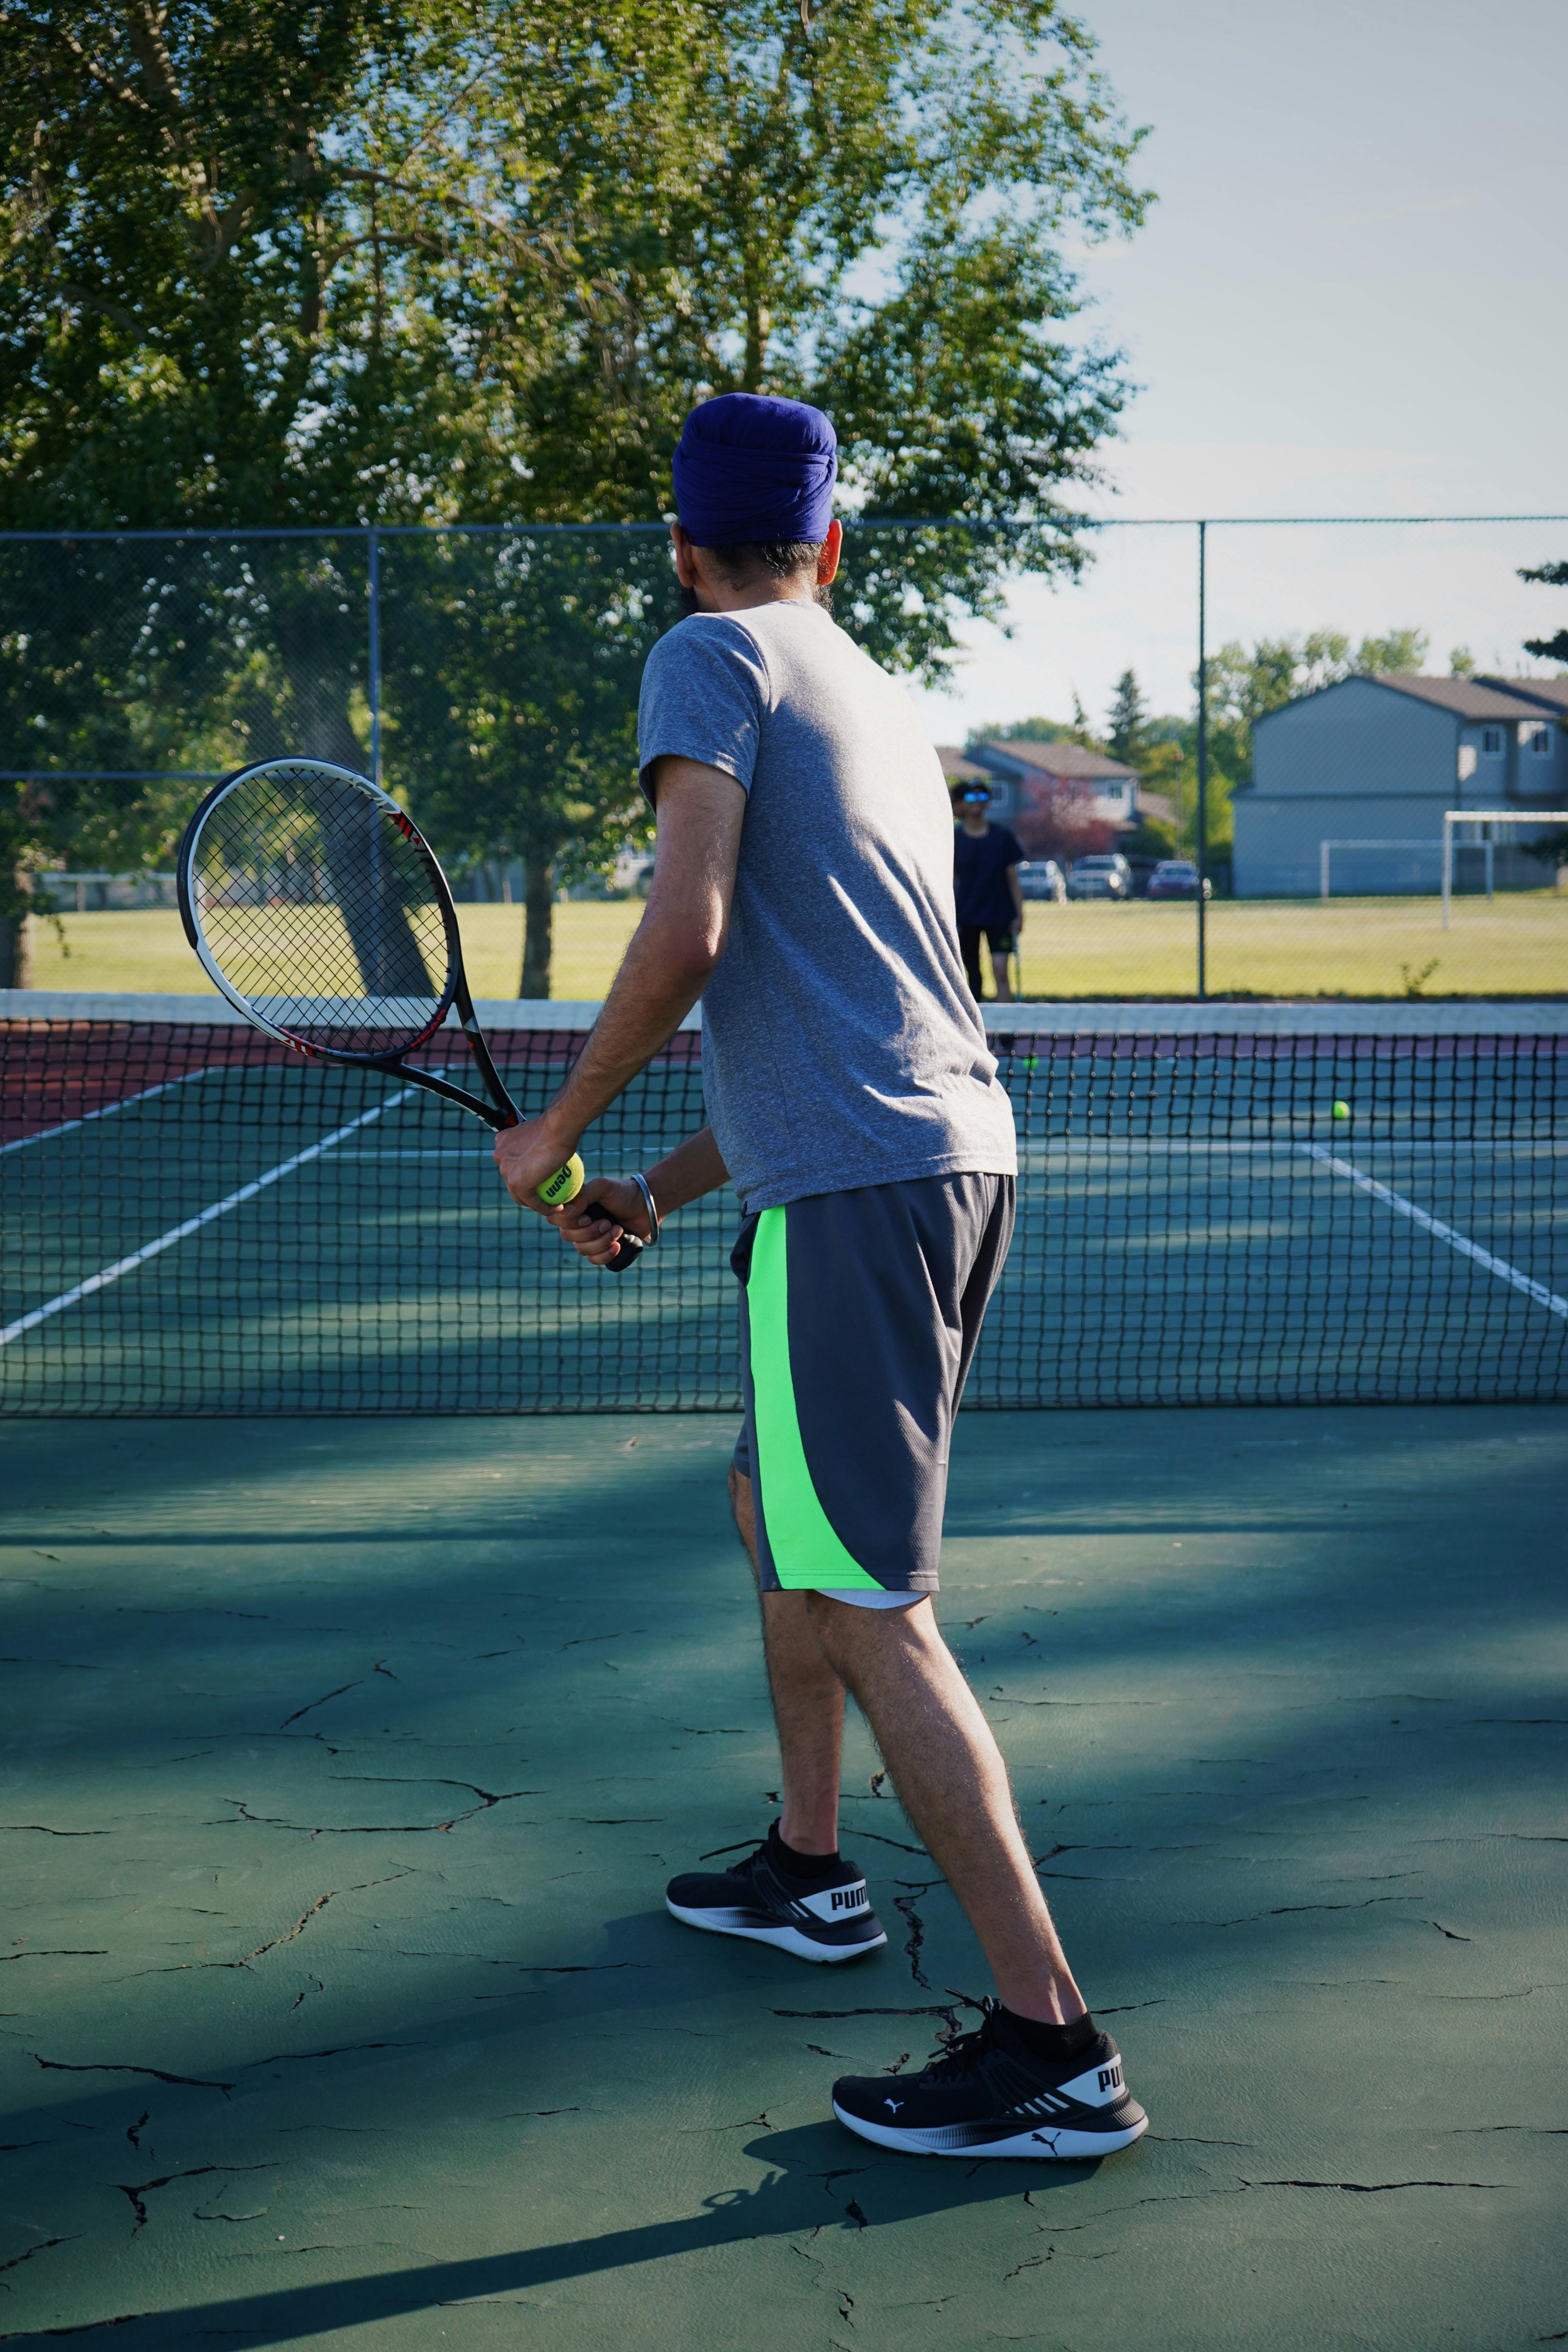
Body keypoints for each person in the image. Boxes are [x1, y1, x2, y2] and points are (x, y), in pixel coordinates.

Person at [493, 391, 1147, 2163]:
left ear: (682, 545)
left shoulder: (707, 652)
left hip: (862, 1191)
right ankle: (804, 1865)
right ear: (830, 542)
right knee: (769, 1503)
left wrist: (545, 1129)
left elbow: (687, 931)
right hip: (943, 1157)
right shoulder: (868, 687)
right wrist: (649, 1177)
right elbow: (849, 1016)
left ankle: (1050, 2043)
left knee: (869, 1596)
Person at [952, 783, 1026, 1003]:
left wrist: (1020, 915)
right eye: (971, 796)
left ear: (988, 802)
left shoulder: (1003, 837)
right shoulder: (954, 838)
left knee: (1001, 971)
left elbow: (1013, 880)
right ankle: (974, 1034)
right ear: (963, 803)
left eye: (982, 796)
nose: (977, 801)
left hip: (999, 916)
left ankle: (1007, 1035)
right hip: (966, 918)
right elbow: (949, 881)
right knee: (971, 977)